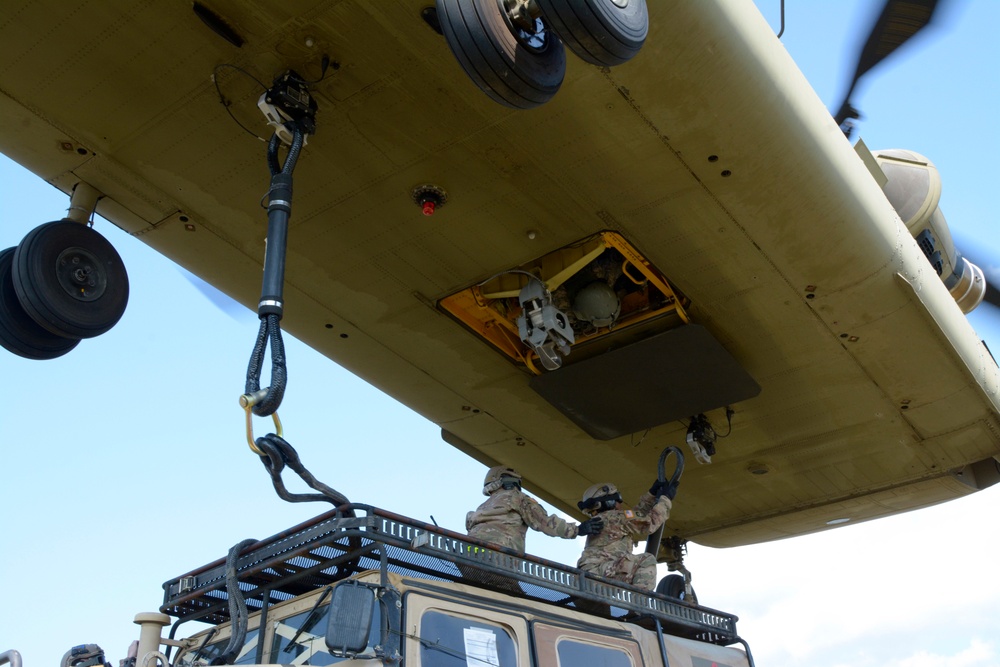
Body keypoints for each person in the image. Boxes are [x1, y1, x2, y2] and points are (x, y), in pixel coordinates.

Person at [466, 466, 603, 553]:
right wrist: (578, 530)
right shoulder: (516, 497)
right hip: (498, 559)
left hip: (469, 556)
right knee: (513, 597)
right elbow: (544, 522)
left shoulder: (482, 507)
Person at [575, 477, 677, 590]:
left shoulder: (607, 518)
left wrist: (651, 494)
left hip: (588, 579)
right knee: (647, 559)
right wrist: (665, 500)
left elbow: (637, 515)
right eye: (618, 498)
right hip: (599, 575)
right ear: (609, 502)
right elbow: (650, 522)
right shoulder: (616, 517)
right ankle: (639, 603)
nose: (620, 502)